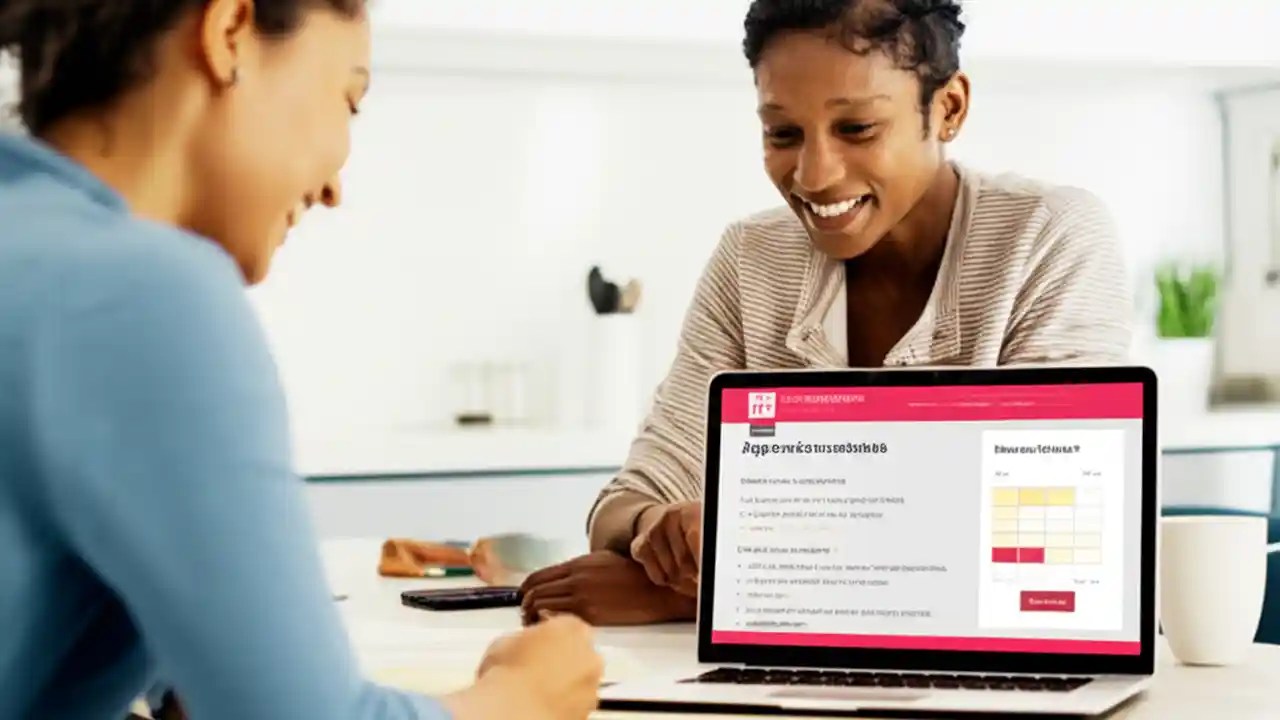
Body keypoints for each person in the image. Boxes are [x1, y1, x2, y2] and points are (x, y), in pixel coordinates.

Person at [0, 1, 602, 719]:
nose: (334, 187)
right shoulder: (140, 290)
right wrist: (524, 695)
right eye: (348, 98)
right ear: (229, 33)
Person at [520, 0, 1132, 625]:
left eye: (858, 129)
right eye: (783, 134)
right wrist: (662, 533)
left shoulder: (1049, 235)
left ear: (948, 108)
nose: (814, 175)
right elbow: (629, 500)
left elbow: (1044, 541)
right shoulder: (751, 258)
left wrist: (696, 590)